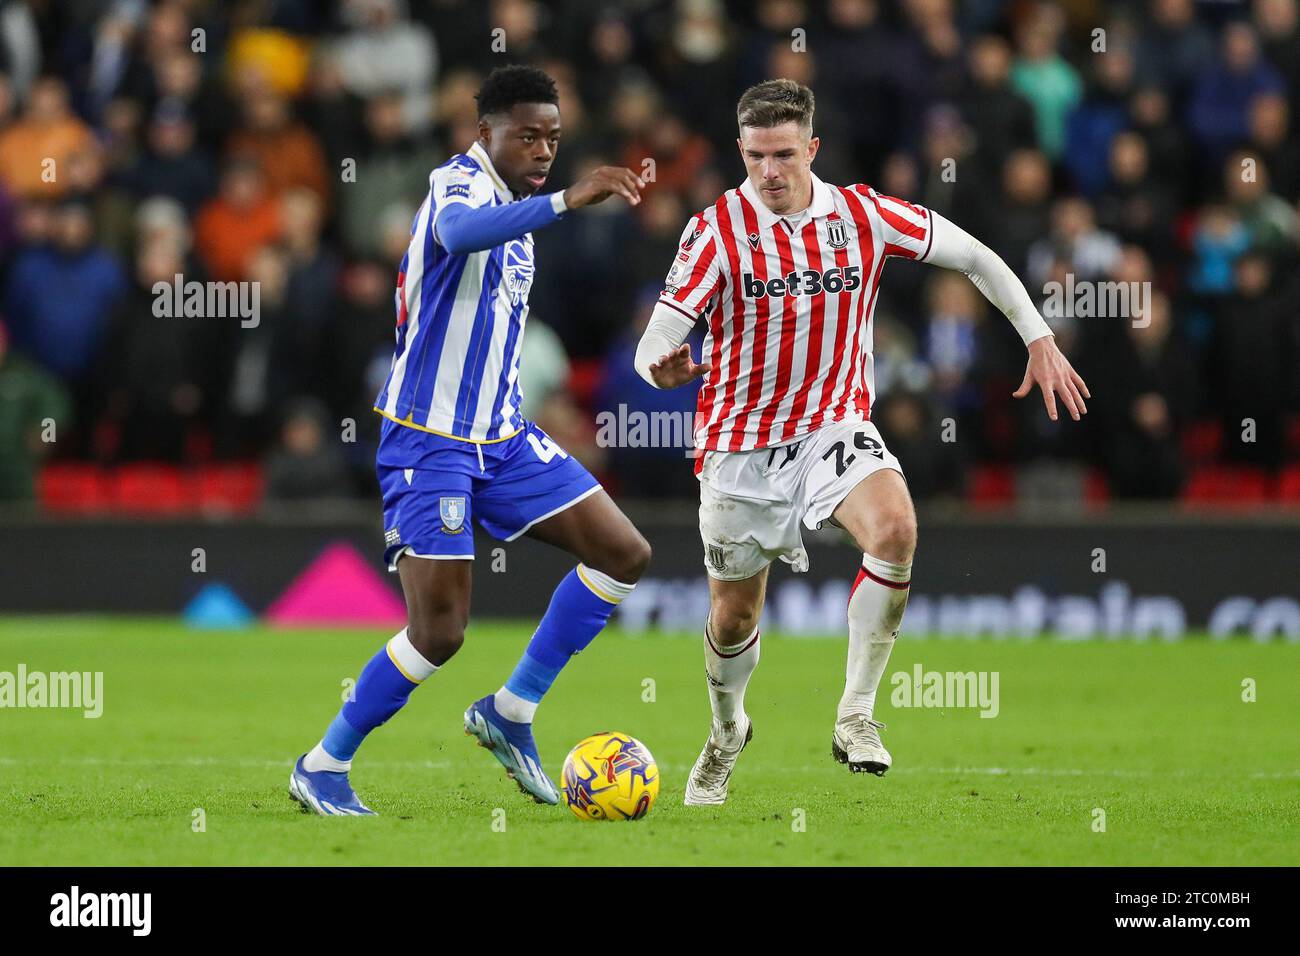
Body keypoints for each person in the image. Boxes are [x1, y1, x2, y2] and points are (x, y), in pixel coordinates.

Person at [635, 79, 1089, 805]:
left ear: (811, 148)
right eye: (756, 156)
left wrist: (1036, 335)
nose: (771, 172)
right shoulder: (714, 229)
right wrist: (657, 370)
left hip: (832, 426)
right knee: (734, 614)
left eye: (785, 154)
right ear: (740, 152)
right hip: (739, 449)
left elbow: (974, 256)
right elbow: (657, 338)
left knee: (897, 527)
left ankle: (855, 713)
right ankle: (725, 734)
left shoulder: (862, 215)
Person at [290, 65, 651, 815]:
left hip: (503, 438)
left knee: (624, 553)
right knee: (440, 631)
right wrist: (562, 200)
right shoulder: (459, 183)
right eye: (527, 135)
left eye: (553, 138)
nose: (544, 149)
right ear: (484, 132)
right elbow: (455, 232)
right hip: (430, 440)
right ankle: (323, 765)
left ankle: (511, 710)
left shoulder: (520, 222)